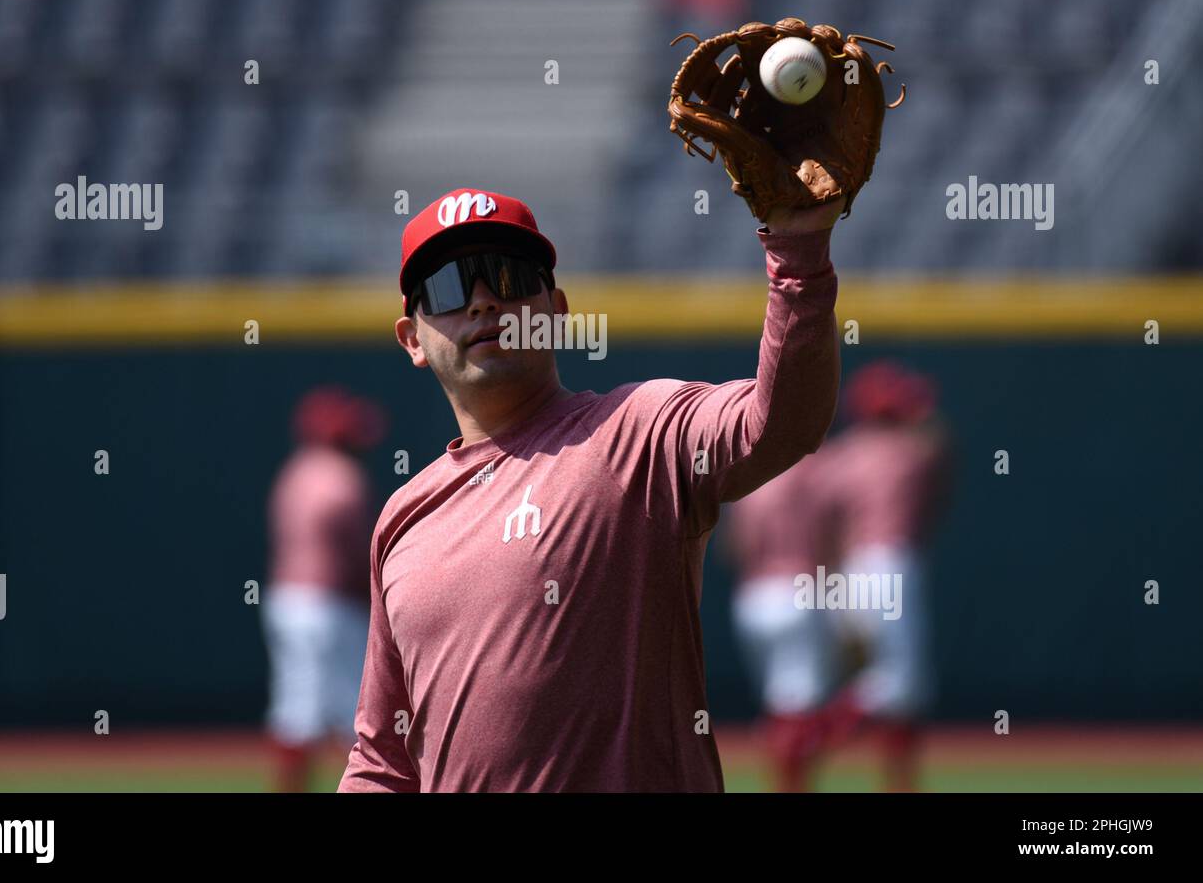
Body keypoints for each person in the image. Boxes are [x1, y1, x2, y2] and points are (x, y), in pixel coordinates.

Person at [338, 186, 843, 792]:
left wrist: (798, 252)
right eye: (447, 287)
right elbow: (383, 760)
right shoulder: (403, 517)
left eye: (507, 275)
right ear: (412, 338)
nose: (481, 301)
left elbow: (783, 421)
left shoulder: (639, 430)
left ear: (555, 310)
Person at [821, 360, 952, 792]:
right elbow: (941, 446)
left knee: (888, 683)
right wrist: (916, 409)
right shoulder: (911, 451)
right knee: (901, 684)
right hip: (889, 567)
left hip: (845, 573)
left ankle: (899, 782)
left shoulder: (841, 456)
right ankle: (814, 731)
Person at [264, 386, 385, 792]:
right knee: (360, 713)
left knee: (298, 706)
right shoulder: (342, 477)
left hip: (286, 602)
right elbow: (356, 557)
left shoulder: (295, 471)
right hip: (328, 607)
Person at [726, 446, 842, 792]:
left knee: (779, 706)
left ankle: (783, 781)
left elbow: (735, 549)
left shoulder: (748, 478)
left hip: (753, 598)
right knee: (801, 708)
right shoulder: (816, 470)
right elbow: (832, 539)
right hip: (799, 590)